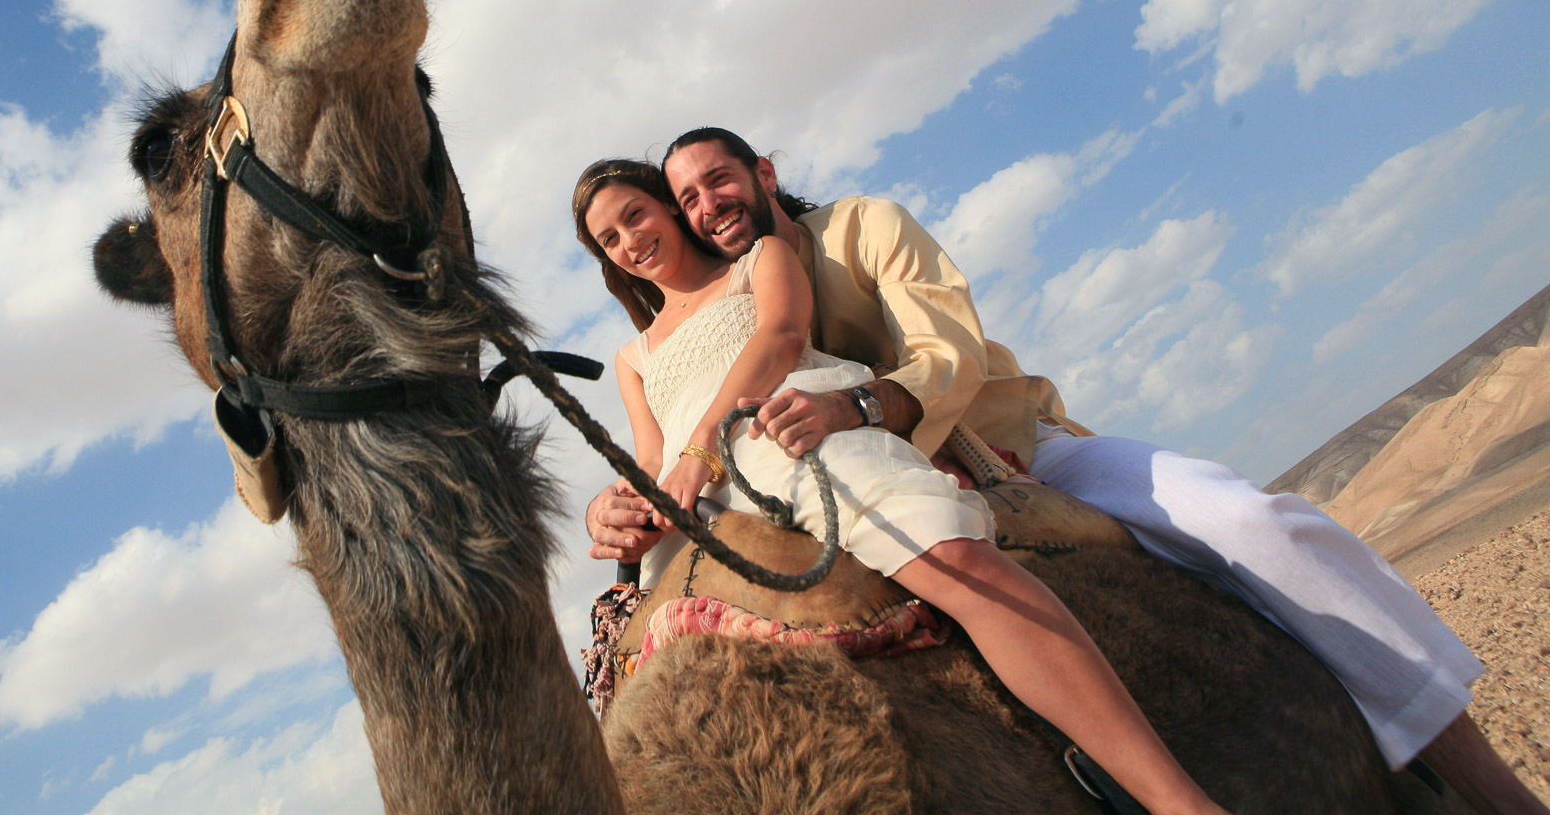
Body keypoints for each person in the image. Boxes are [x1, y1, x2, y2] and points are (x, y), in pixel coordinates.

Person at [586, 128, 1544, 815]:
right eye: (691, 195)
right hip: (796, 491)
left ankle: (1482, 784)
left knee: (1255, 529)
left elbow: (947, 352)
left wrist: (854, 407)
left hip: (1010, 452)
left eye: (717, 182)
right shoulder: (676, 327)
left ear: (761, 173)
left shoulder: (856, 230)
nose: (708, 204)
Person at [574, 158, 1231, 815]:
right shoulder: (633, 357)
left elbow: (780, 337)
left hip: (784, 431)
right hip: (701, 496)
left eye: (636, 214)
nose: (630, 241)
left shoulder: (758, 260)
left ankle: (1179, 801)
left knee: (957, 563)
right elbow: (651, 459)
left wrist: (702, 448)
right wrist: (615, 509)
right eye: (609, 238)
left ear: (667, 208)